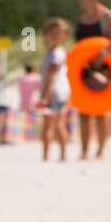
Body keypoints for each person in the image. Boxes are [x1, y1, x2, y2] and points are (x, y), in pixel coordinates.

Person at [74, 0, 111, 159]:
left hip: (103, 69)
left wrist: (102, 55)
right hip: (84, 70)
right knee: (83, 112)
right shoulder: (81, 19)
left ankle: (100, 151)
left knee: (100, 111)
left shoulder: (108, 16)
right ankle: (84, 151)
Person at [38, 18, 72, 162]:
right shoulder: (56, 52)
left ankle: (47, 157)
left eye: (57, 34)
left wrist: (45, 96)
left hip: (54, 92)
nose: (54, 36)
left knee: (50, 126)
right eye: (52, 33)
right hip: (61, 92)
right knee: (58, 124)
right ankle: (62, 155)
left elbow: (51, 77)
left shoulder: (55, 54)